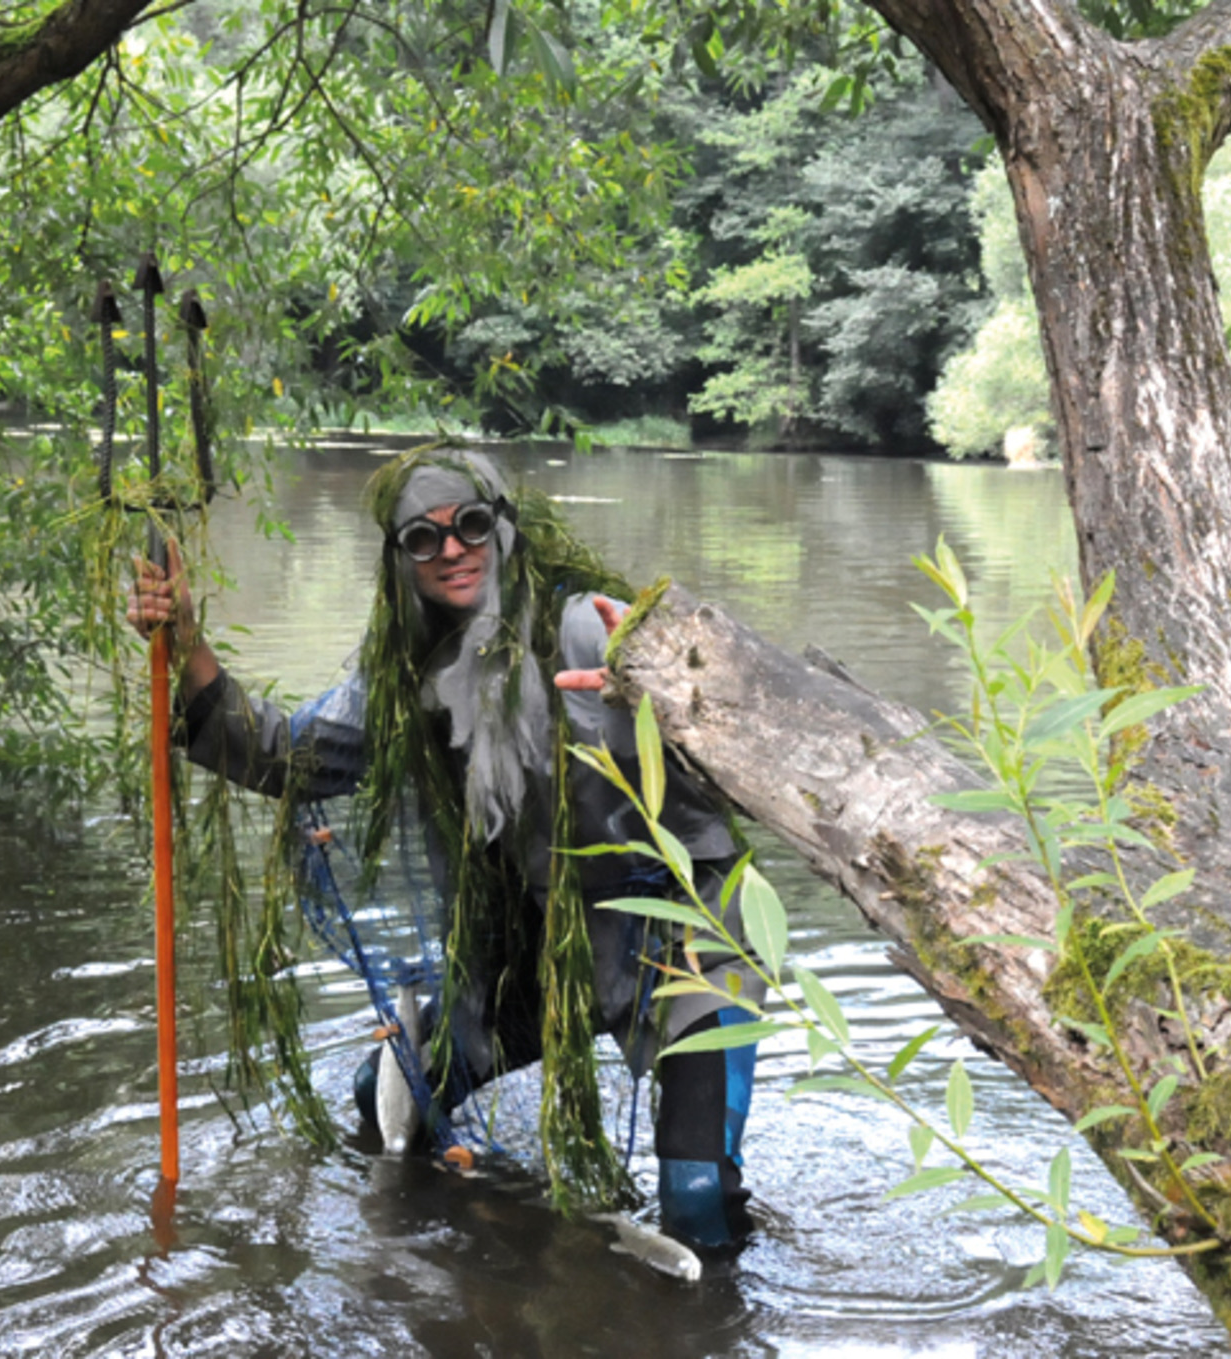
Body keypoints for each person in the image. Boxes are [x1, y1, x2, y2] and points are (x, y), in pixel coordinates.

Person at [126, 449, 761, 1253]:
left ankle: (718, 1303)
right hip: (537, 954)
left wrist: (667, 693)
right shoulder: (401, 677)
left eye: (470, 525)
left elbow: (733, 719)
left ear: (505, 528)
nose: (452, 549)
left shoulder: (590, 628)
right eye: (424, 538)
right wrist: (187, 644)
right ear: (400, 559)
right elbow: (288, 755)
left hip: (684, 941)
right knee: (387, 1096)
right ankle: (473, 1253)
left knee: (695, 1195)